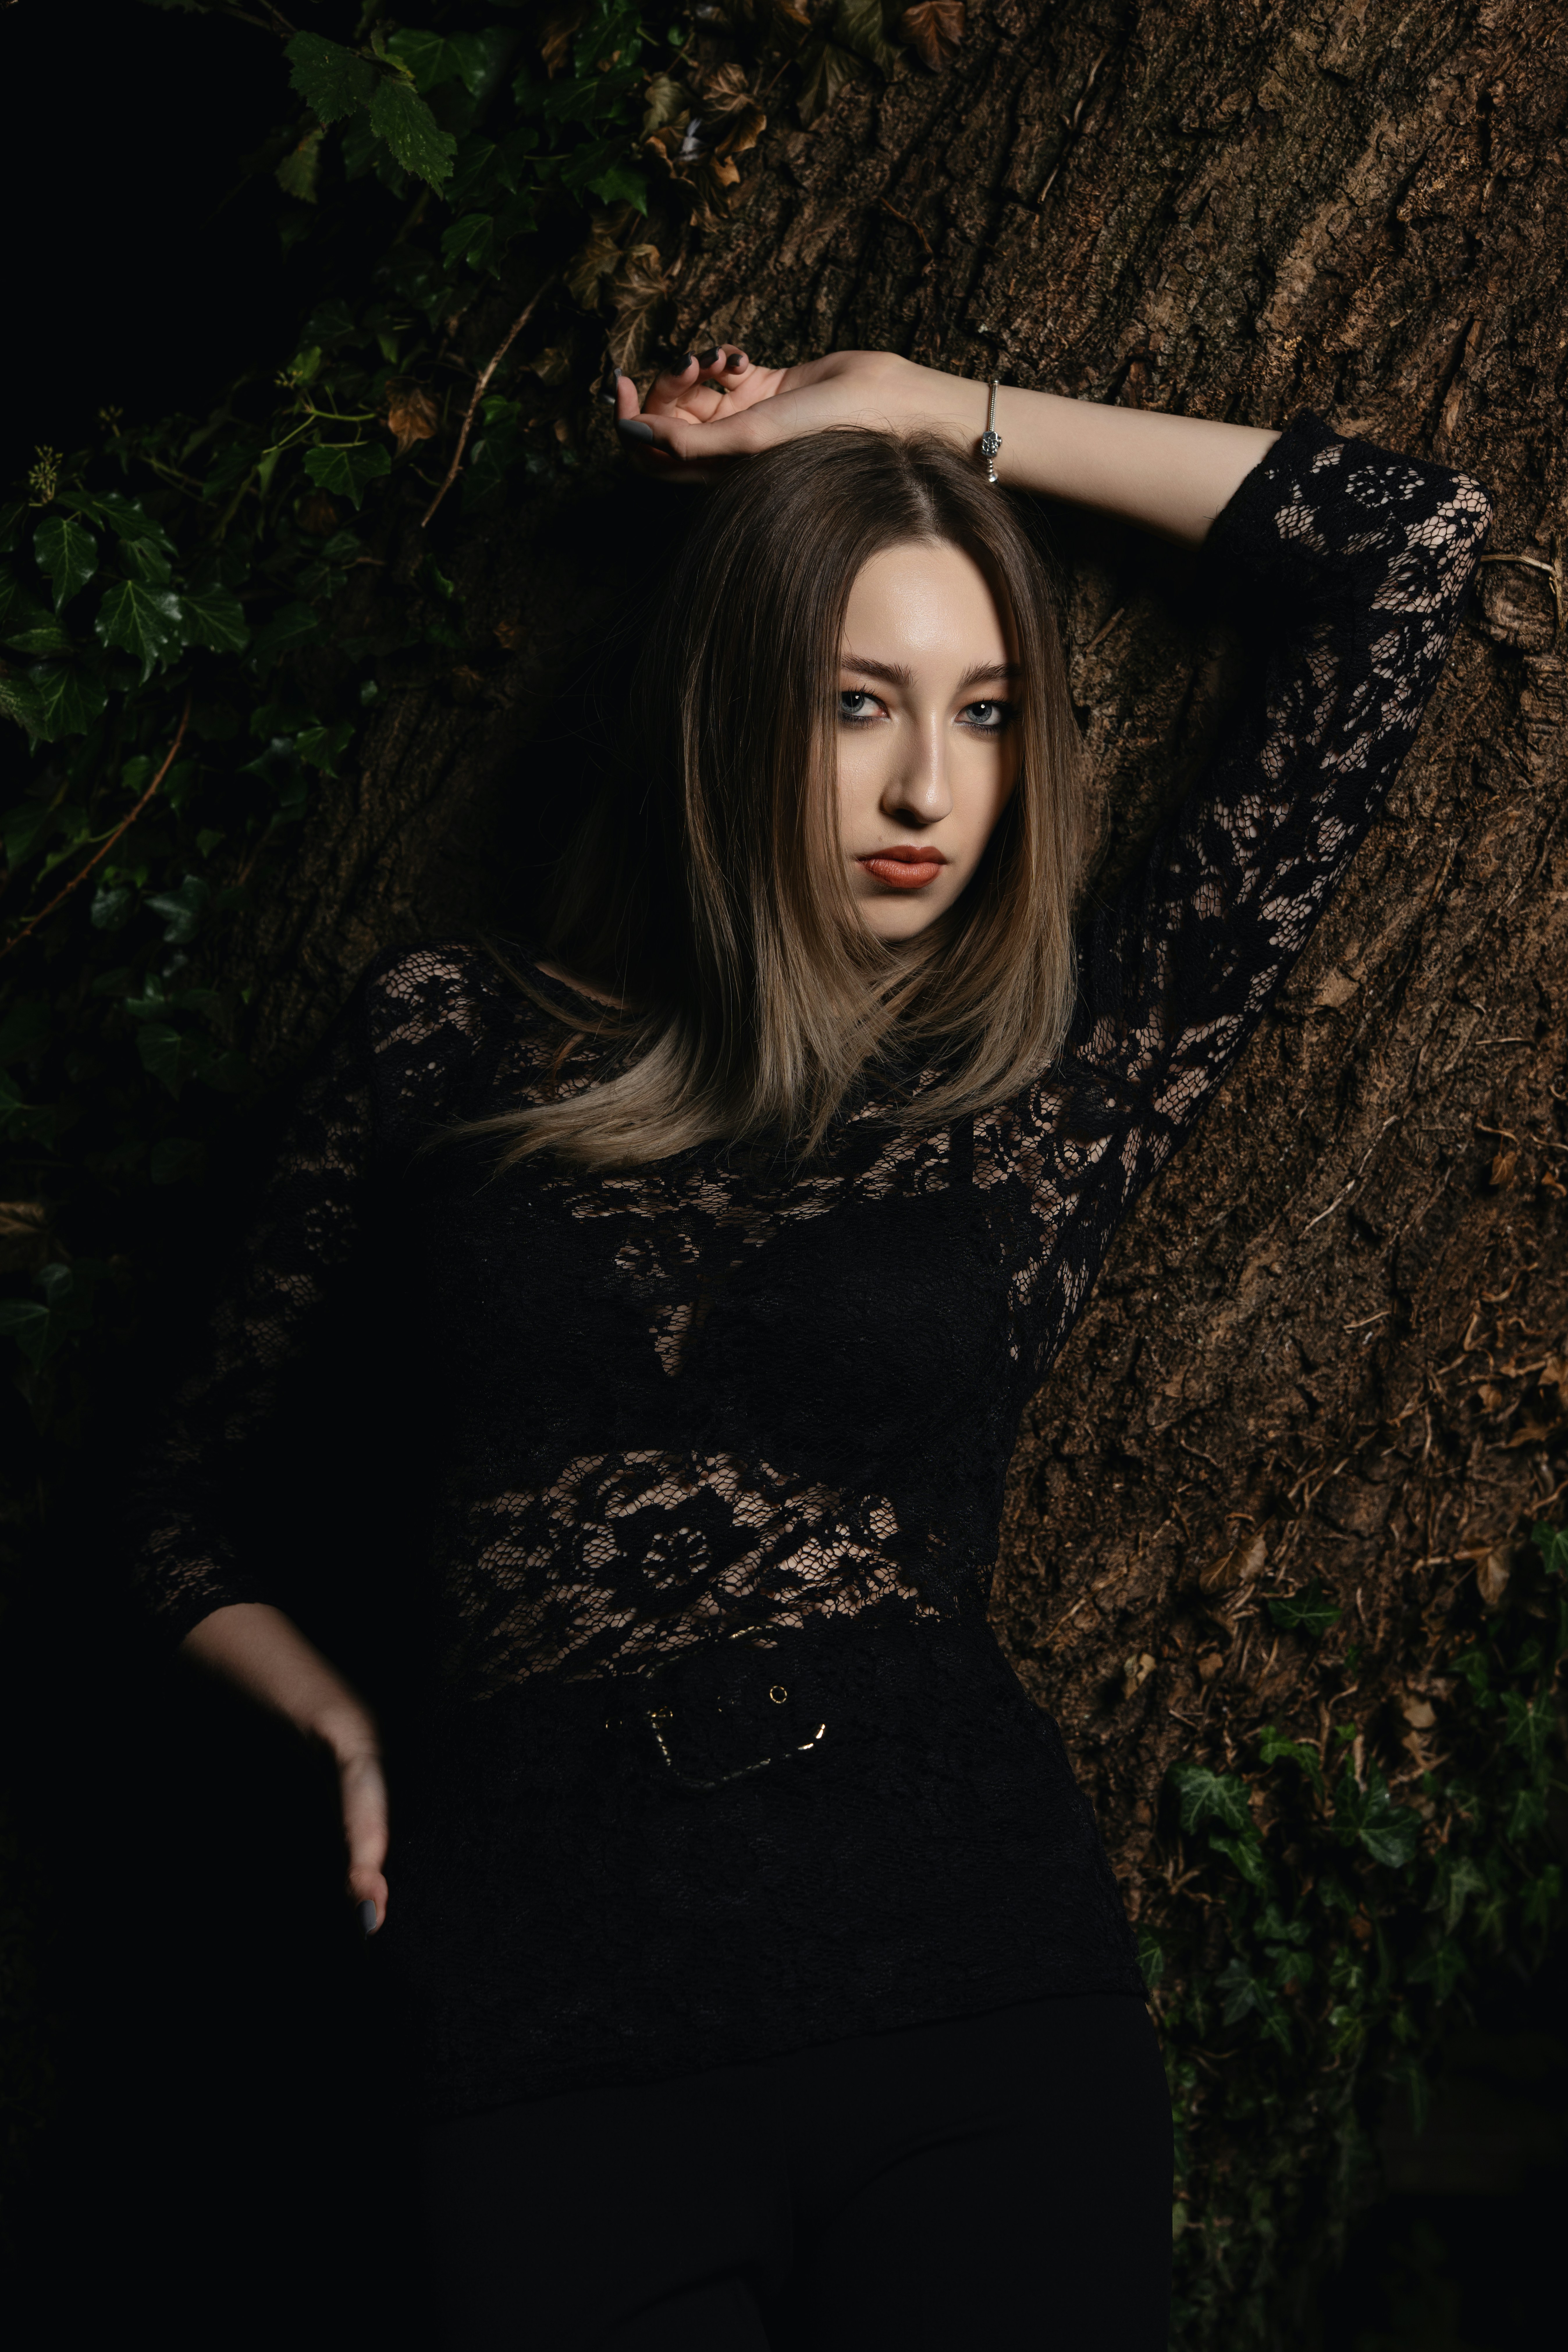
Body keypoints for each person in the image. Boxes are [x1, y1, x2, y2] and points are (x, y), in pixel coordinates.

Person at [131, 346, 1491, 2349]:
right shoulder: (450, 1040)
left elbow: (1413, 545)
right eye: (860, 702)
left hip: (973, 2013)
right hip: (537, 2036)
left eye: (984, 712)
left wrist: (937, 411)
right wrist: (330, 1713)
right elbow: (174, 1505)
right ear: (733, 701)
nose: (930, 787)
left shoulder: (1051, 1094)